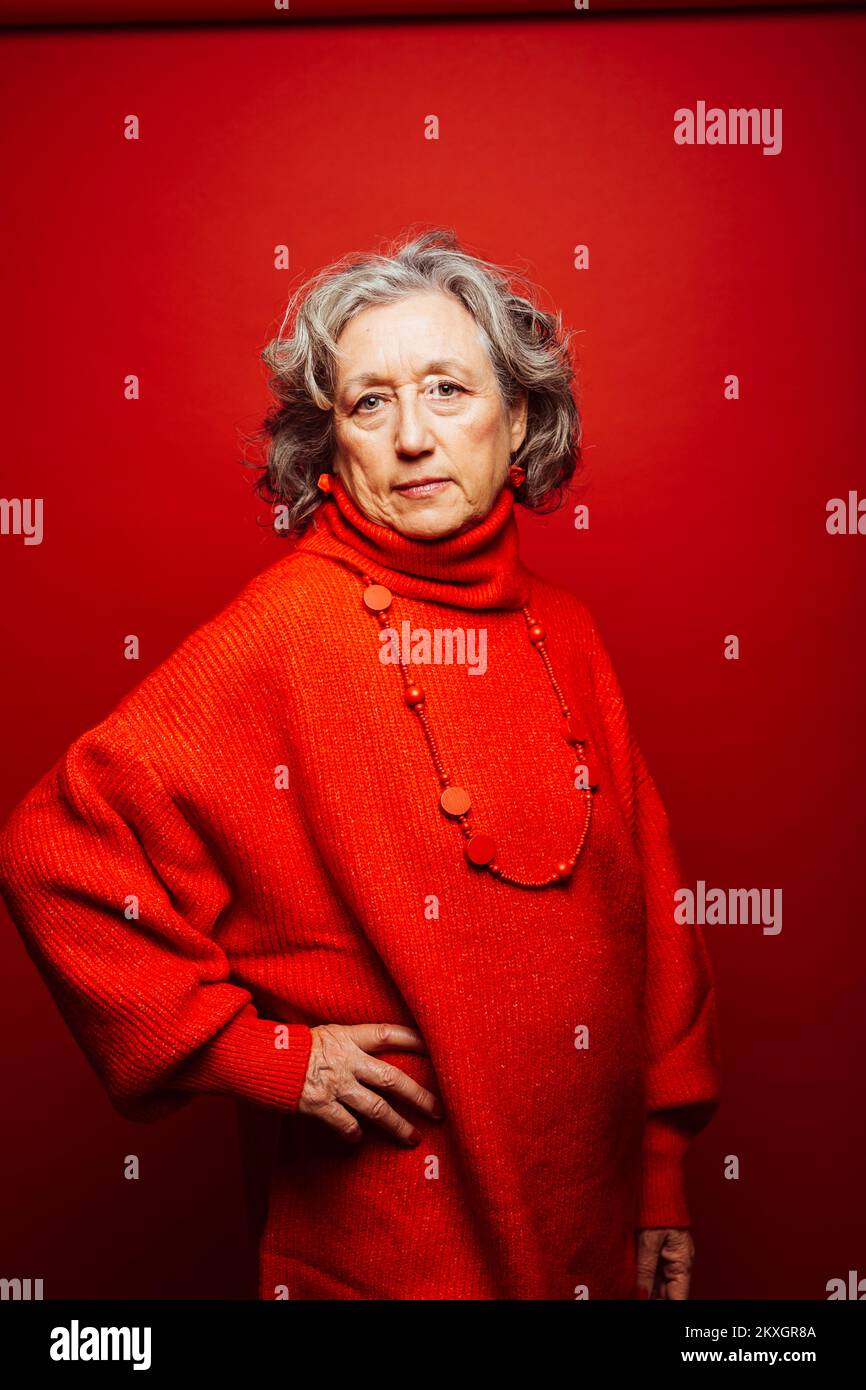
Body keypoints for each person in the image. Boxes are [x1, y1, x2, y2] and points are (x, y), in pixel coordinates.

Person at [0, 227, 721, 1300]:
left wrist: (659, 1172)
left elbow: (647, 917)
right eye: (369, 403)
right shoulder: (282, 631)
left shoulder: (566, 629)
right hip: (386, 1244)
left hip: (586, 1223)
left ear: (516, 418)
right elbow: (54, 853)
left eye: (446, 389)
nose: (414, 438)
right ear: (331, 444)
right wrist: (271, 1058)